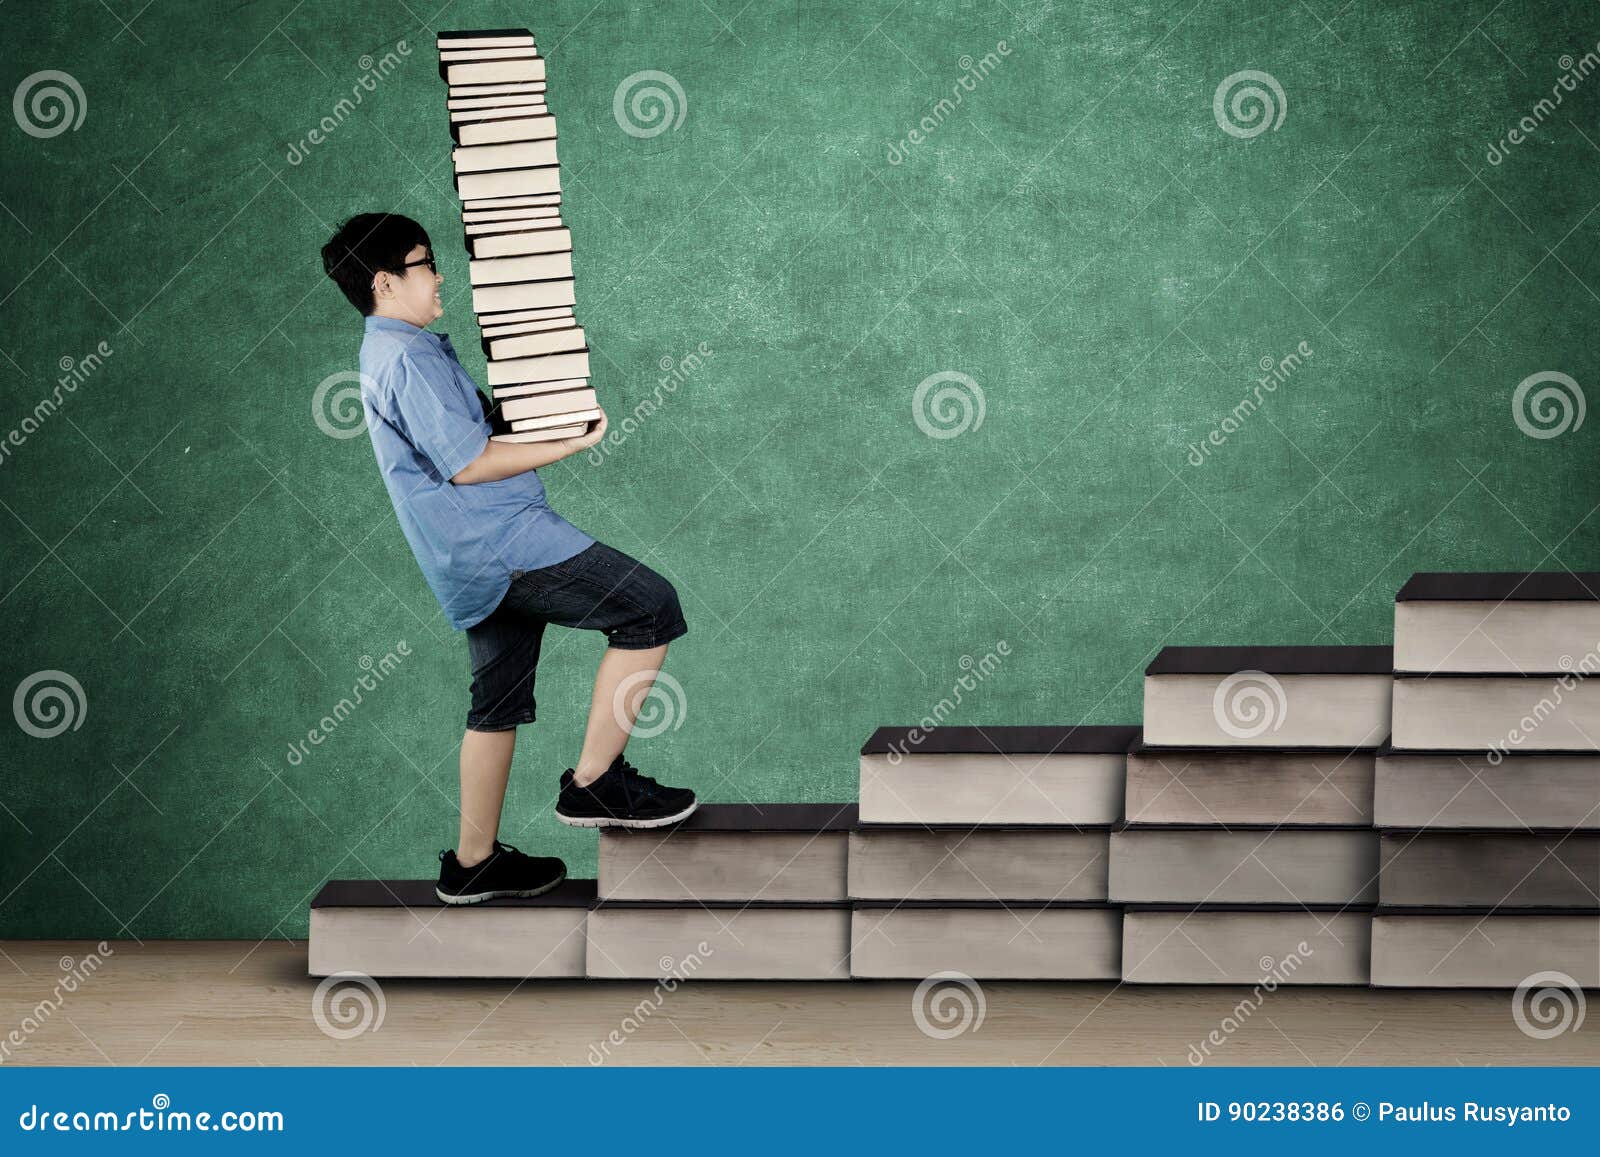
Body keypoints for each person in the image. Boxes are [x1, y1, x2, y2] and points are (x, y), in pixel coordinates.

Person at [320, 213, 696, 905]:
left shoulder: (398, 350)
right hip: (504, 542)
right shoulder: (404, 358)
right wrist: (572, 443)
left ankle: (474, 861)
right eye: (424, 262)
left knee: (494, 702)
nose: (439, 275)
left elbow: (466, 435)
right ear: (384, 280)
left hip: (465, 556)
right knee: (650, 607)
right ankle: (594, 782)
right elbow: (467, 464)